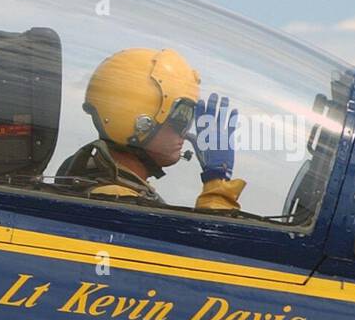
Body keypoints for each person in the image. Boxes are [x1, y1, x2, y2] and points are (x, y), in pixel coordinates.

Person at [58, 48, 244, 211]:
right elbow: (206, 249)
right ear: (140, 121)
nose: (186, 133)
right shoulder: (116, 203)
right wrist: (217, 187)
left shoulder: (103, 185)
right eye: (181, 117)